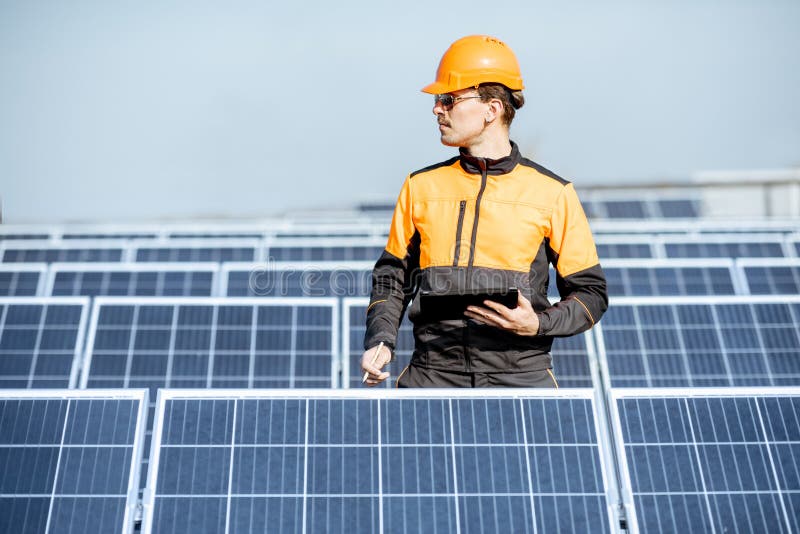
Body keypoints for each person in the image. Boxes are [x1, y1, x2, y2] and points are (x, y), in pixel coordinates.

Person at [361, 35, 608, 388]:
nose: (437, 109)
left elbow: (591, 294)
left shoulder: (554, 193)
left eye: (448, 99)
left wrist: (537, 324)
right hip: (431, 374)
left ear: (492, 109)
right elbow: (392, 277)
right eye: (437, 100)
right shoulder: (420, 186)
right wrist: (380, 341)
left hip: (521, 378)